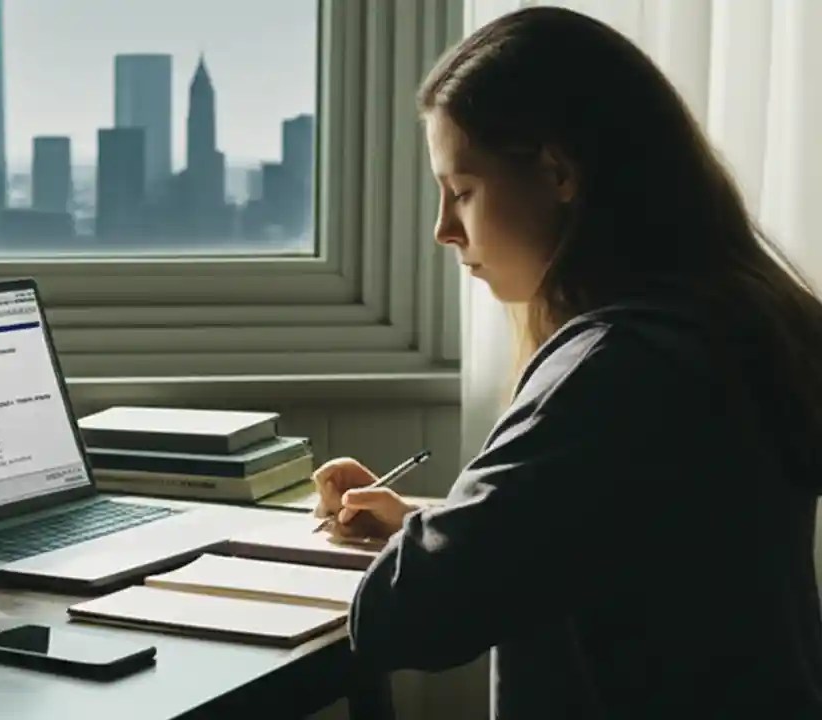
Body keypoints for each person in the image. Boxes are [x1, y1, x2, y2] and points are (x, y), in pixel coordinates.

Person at [312, 6, 822, 718]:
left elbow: (410, 615)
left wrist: (429, 546)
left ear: (557, 172)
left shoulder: (614, 368)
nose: (443, 229)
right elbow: (606, 536)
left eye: (462, 191)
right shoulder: (731, 323)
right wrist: (425, 525)